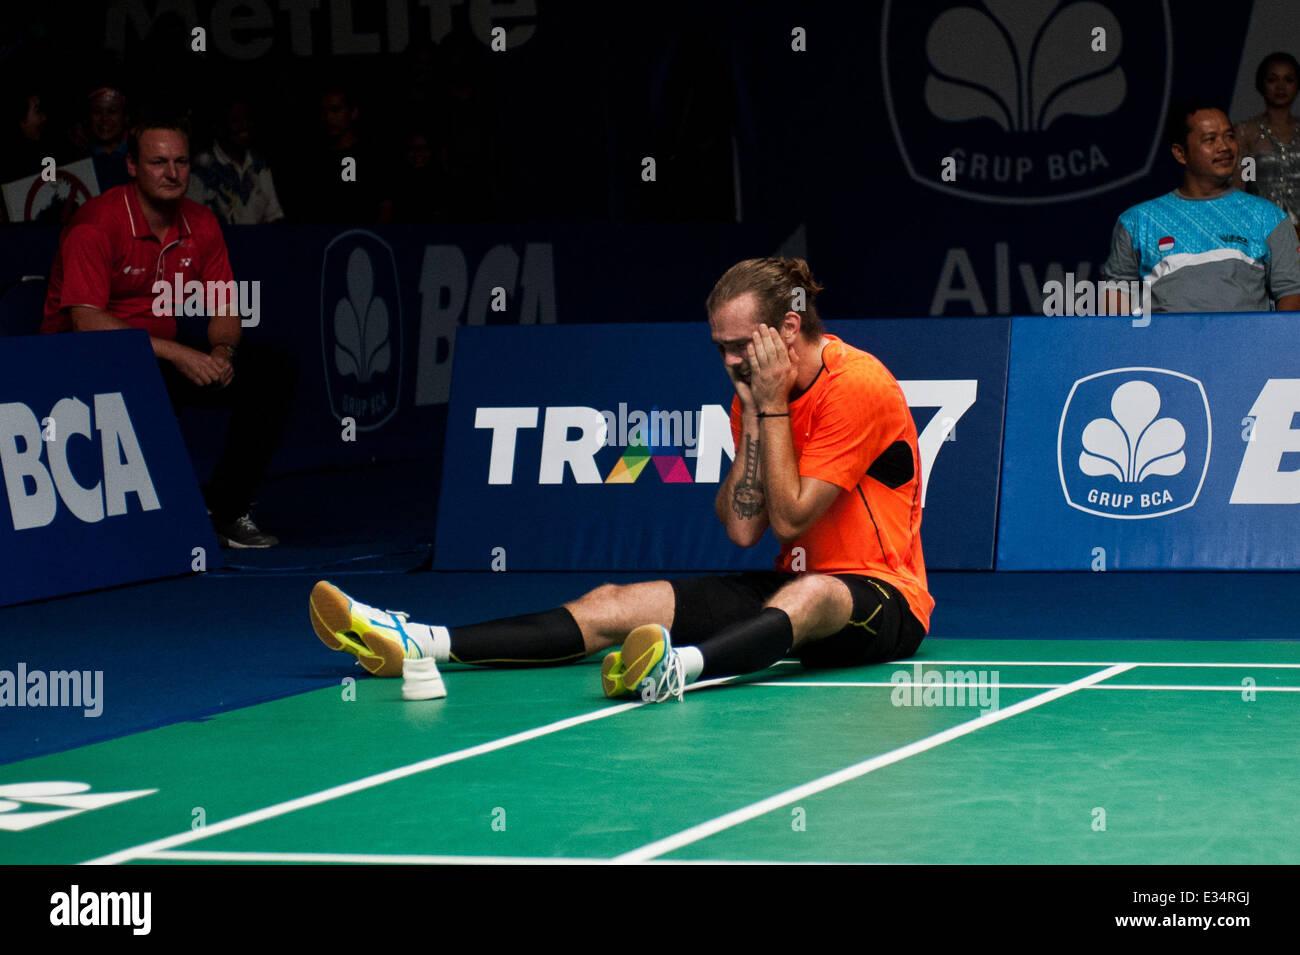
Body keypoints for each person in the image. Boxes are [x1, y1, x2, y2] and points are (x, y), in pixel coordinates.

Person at [310, 258, 931, 702]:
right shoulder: (755, 390)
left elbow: (793, 518)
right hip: (790, 581)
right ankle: (420, 642)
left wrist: (768, 407)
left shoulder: (858, 386)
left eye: (741, 345)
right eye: (719, 347)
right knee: (610, 603)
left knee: (814, 593)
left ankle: (679, 669)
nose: (730, 361)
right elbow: (744, 530)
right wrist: (754, 413)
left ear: (788, 330)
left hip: (883, 597)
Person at [40, 118, 296, 548]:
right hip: (80, 361)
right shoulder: (96, 224)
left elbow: (226, 309)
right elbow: (86, 321)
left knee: (273, 369)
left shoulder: (201, 223)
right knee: (157, 371)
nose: (172, 173)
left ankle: (226, 511)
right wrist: (181, 356)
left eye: (180, 161)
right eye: (158, 162)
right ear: (133, 167)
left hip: (156, 356)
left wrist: (221, 353)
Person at [1101, 100, 1300, 314]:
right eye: (1210, 139)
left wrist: (1267, 345)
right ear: (1180, 153)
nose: (1224, 147)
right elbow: (1116, 298)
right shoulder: (1137, 221)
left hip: (1244, 346)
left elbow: (1291, 292)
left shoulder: (1267, 217)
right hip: (1164, 346)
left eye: (1229, 136)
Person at [187, 98, 285, 225]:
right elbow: (192, 225)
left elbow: (273, 216)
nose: (244, 126)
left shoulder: (259, 165)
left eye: (247, 119)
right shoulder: (201, 168)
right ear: (219, 126)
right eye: (236, 120)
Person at [1235, 52, 1300, 231]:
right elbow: (1239, 186)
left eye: (1288, 80)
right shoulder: (1246, 133)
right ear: (1261, 84)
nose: (1280, 86)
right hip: (1263, 230)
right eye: (1272, 79)